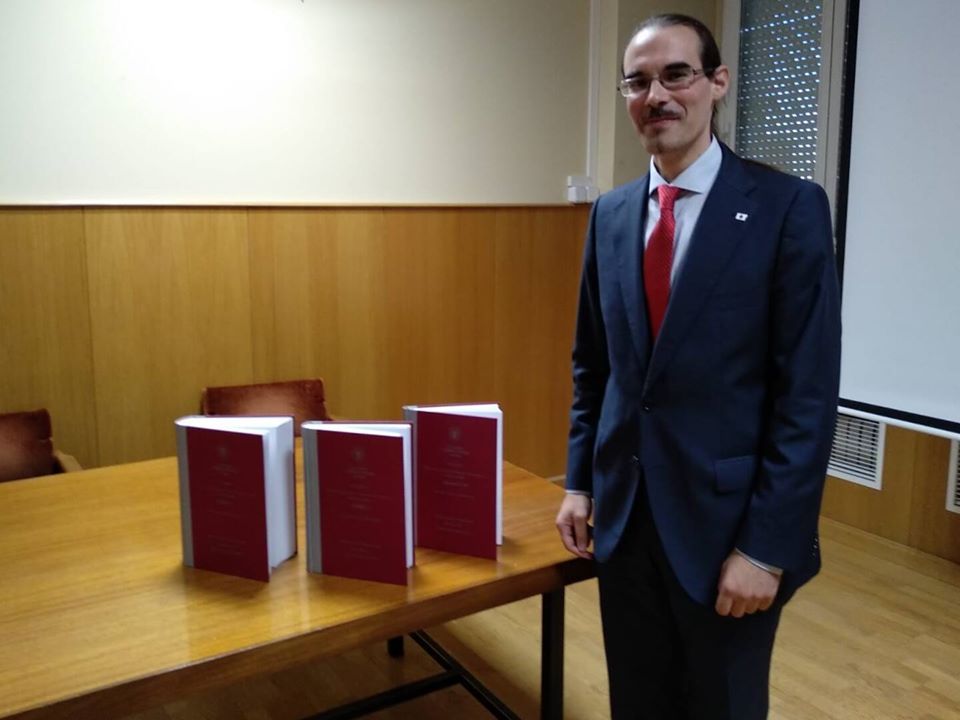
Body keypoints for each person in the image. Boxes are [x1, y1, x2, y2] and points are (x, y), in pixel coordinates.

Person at [556, 13, 841, 720]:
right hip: (624, 525)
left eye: (676, 74)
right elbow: (595, 369)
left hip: (728, 535)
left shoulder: (787, 209)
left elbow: (805, 398)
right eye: (637, 82)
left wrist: (766, 549)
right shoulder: (611, 214)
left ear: (717, 82)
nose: (656, 95)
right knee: (638, 704)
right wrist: (580, 482)